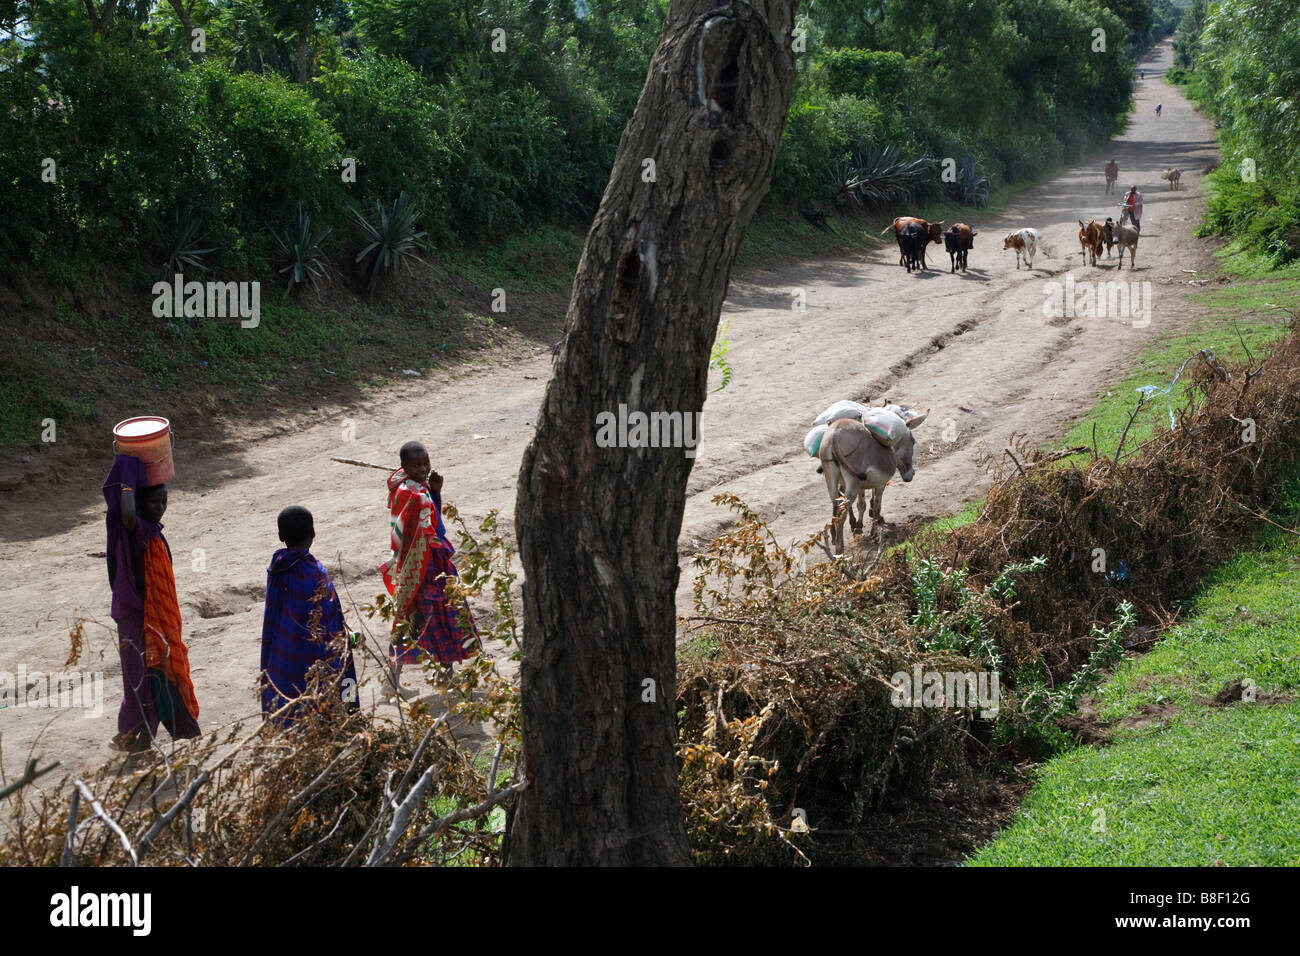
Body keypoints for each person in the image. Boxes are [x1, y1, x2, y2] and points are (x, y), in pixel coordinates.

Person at [102, 456, 200, 752]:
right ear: (139, 505)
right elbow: (127, 514)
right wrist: (129, 471)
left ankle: (153, 737)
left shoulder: (154, 535)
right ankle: (131, 738)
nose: (161, 507)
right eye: (155, 502)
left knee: (159, 675)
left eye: (164, 501)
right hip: (136, 618)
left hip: (155, 620)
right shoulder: (135, 531)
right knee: (139, 682)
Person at [380, 441, 479, 697]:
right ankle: (394, 681)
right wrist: (430, 495)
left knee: (434, 617)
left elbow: (432, 523)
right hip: (422, 568)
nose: (423, 469)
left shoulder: (412, 488)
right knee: (419, 619)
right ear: (404, 466)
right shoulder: (410, 494)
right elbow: (434, 530)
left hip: (427, 564)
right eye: (416, 465)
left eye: (426, 463)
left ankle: (441, 676)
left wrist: (435, 492)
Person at [260, 506, 359, 725]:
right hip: (315, 662)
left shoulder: (278, 566)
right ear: (313, 533)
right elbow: (329, 629)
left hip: (284, 654)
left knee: (289, 710)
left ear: (280, 536)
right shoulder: (314, 574)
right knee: (323, 709)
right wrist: (350, 639)